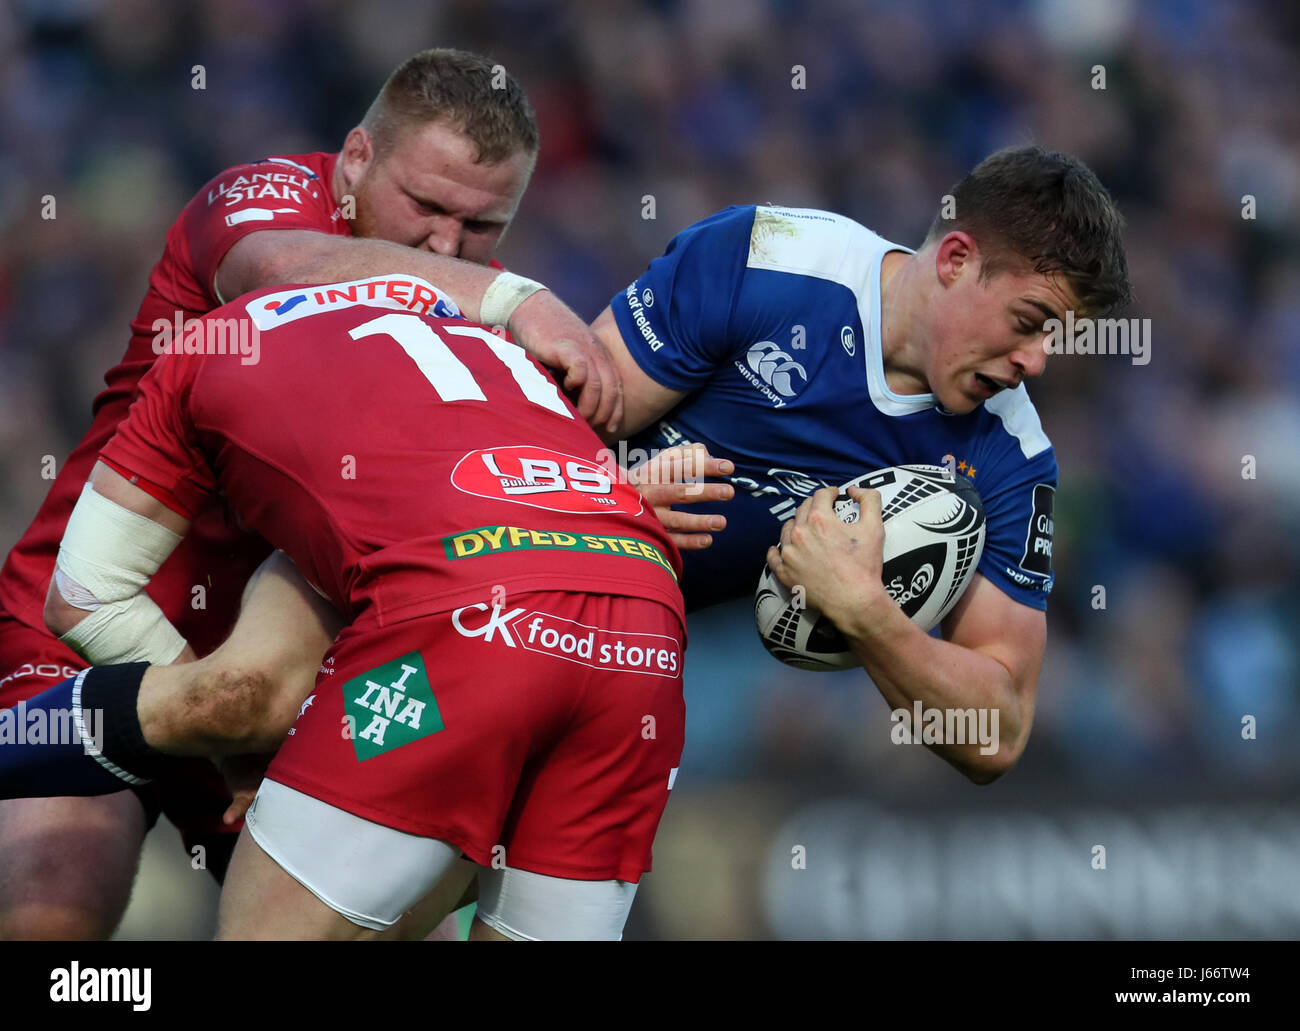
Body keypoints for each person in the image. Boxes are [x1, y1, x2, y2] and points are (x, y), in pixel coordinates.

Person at [0, 46, 621, 940]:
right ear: (358, 158)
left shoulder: (480, 327)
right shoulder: (266, 201)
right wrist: (511, 292)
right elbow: (288, 274)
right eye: (429, 205)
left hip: (295, 674)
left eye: (484, 226)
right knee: (51, 914)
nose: (447, 243)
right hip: (94, 627)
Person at [34, 275, 689, 940]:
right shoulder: (500, 344)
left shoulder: (204, 342)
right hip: (646, 637)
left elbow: (82, 598)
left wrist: (235, 757)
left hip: (461, 639)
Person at [592, 145, 1133, 781]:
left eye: (1056, 340)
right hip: (507, 583)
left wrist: (868, 615)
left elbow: (999, 732)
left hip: (639, 669)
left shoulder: (1011, 457)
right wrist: (606, 498)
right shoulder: (765, 260)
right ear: (956, 260)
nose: (1035, 363)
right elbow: (524, 434)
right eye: (1028, 321)